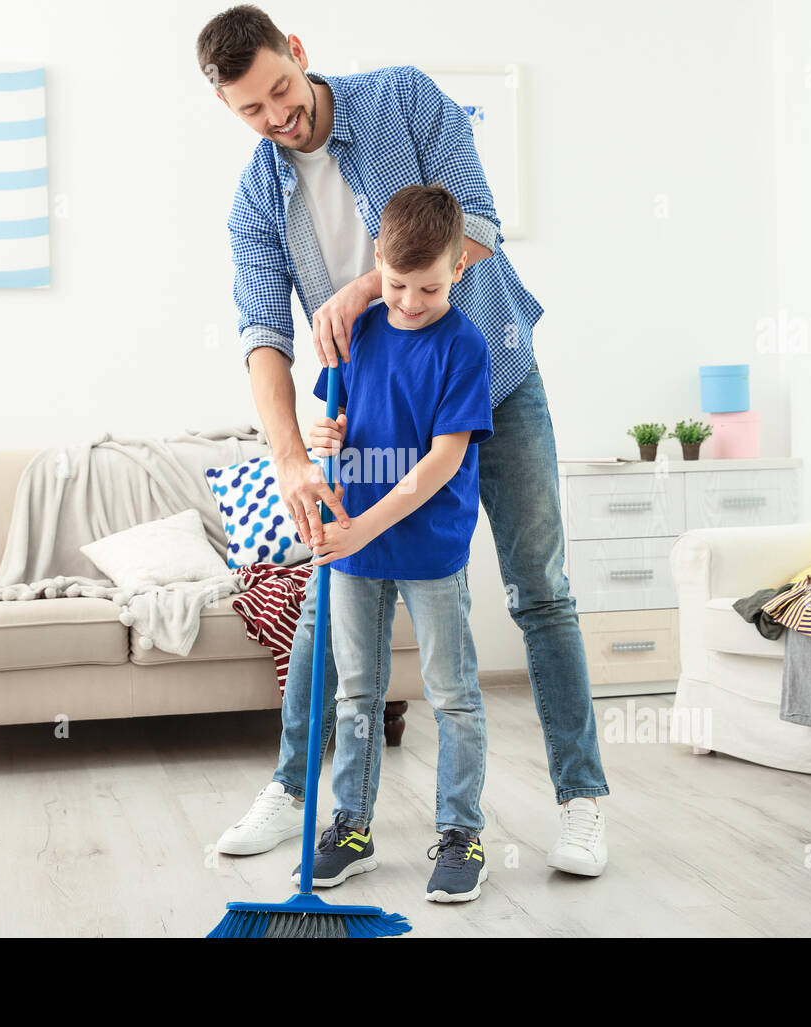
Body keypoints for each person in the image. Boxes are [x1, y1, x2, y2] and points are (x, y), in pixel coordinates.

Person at [197, 4, 610, 877]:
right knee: (324, 595)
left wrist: (359, 292)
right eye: (252, 110)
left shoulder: (404, 100)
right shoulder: (252, 201)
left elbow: (484, 230)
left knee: (540, 587)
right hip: (377, 415)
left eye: (281, 90)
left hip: (490, 372)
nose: (278, 117)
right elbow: (262, 333)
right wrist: (291, 459)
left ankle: (581, 801)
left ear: (297, 53)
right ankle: (297, 788)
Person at [295, 185, 493, 902]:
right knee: (356, 692)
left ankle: (461, 832)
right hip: (354, 542)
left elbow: (442, 462)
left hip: (427, 546)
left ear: (459, 270)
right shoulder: (360, 329)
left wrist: (364, 526)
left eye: (430, 287)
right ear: (377, 261)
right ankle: (351, 826)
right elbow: (338, 419)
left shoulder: (465, 347)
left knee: (452, 696)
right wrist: (328, 435)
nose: (411, 301)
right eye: (400, 283)